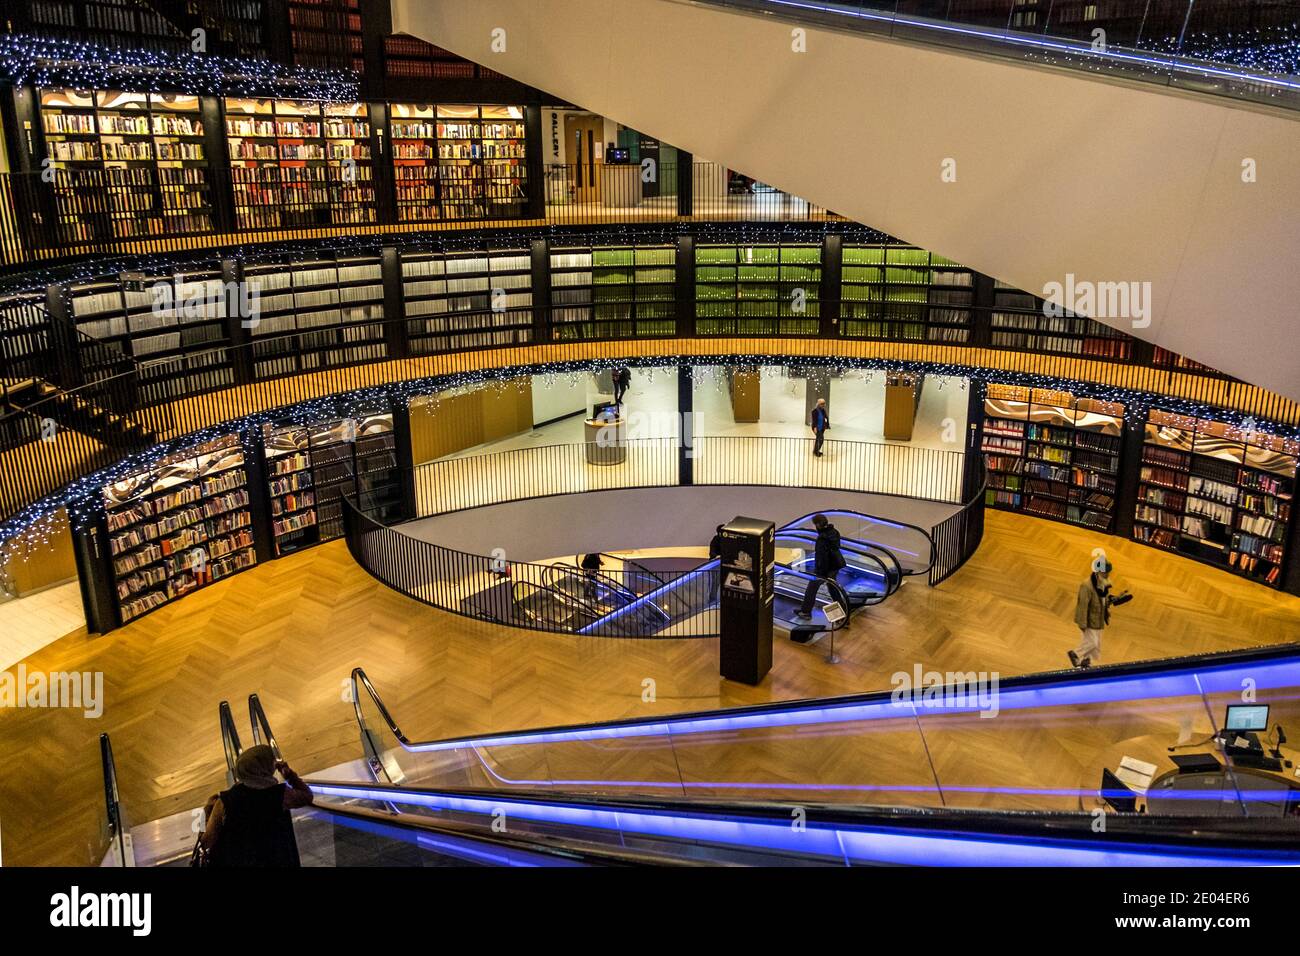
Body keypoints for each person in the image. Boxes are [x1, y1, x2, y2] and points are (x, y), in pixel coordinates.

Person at [200, 744, 313, 867]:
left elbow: (206, 841)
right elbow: (307, 796)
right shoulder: (279, 795)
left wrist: (207, 811)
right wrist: (289, 775)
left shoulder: (225, 800)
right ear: (263, 767)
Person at [1068, 549, 1132, 669]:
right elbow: (1082, 605)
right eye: (1105, 572)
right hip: (1089, 619)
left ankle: (1086, 662)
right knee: (1092, 642)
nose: (1107, 575)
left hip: (1098, 618)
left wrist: (1117, 597)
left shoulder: (1103, 584)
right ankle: (1075, 654)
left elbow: (1103, 600)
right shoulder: (1086, 585)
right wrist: (1082, 623)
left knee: (1095, 644)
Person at [795, 514, 845, 622]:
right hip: (836, 565)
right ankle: (843, 615)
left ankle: (806, 612)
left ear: (818, 525)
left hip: (825, 569)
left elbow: (822, 558)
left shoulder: (822, 539)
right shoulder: (834, 532)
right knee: (833, 589)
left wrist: (819, 573)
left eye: (814, 524)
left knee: (812, 588)